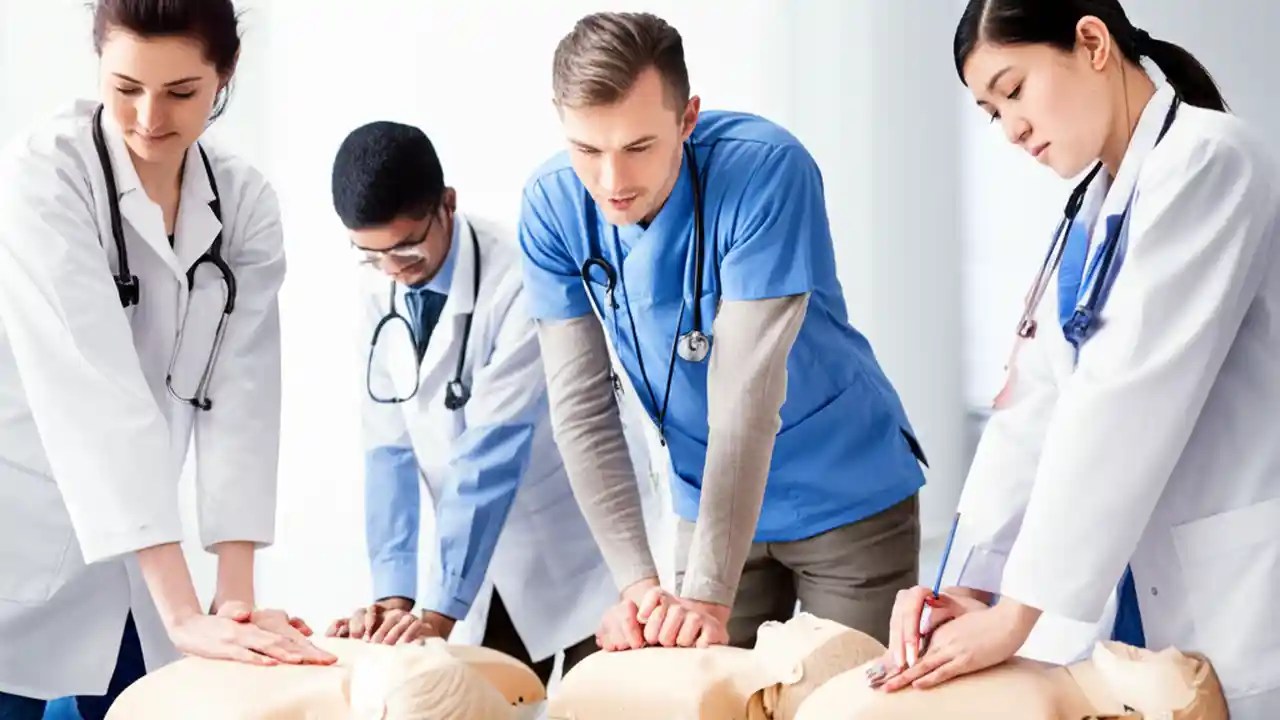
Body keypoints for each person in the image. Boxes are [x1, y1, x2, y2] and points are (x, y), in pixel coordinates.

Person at [878, 2, 1280, 718]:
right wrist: (963, 583)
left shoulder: (1211, 161)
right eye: (990, 112)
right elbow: (1027, 412)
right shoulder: (1087, 216)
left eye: (1014, 89)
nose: (1011, 129)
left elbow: (1124, 399)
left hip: (1226, 593)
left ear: (1091, 42)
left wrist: (1016, 614)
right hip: (1128, 595)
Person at [518, 11, 929, 652]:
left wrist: (707, 594)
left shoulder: (766, 171)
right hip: (703, 497)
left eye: (638, 147)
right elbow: (581, 408)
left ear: (687, 119)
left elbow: (745, 397)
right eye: (587, 149)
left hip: (842, 495)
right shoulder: (551, 205)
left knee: (838, 699)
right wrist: (639, 584)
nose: (610, 182)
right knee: (697, 695)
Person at [0, 1, 337, 718]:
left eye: (181, 92)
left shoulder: (242, 202)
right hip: (21, 532)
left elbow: (243, 396)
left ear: (224, 77)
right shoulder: (46, 174)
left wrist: (236, 598)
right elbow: (96, 395)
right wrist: (186, 614)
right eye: (125, 89)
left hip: (141, 551)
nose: (150, 118)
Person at [321, 121, 623, 686]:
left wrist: (436, 612)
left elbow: (490, 455)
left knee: (599, 702)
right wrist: (394, 596)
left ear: (448, 205)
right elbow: (387, 451)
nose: (393, 270)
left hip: (578, 551)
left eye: (407, 249)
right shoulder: (379, 283)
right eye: (371, 255)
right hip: (482, 562)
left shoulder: (520, 280)